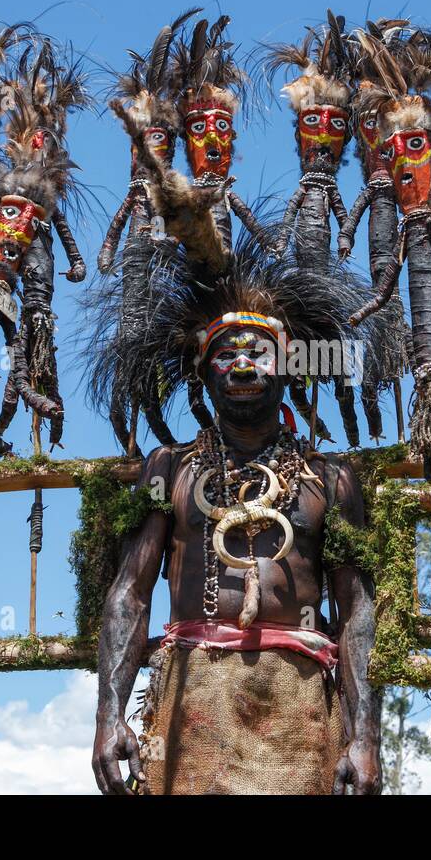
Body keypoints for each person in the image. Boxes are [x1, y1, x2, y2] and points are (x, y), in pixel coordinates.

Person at [88, 237, 382, 794]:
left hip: (300, 702)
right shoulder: (169, 468)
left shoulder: (332, 477)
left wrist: (365, 736)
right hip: (191, 694)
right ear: (204, 372)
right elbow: (130, 593)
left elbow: (357, 610)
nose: (243, 364)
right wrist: (108, 716)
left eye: (259, 352)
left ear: (290, 367)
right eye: (226, 354)